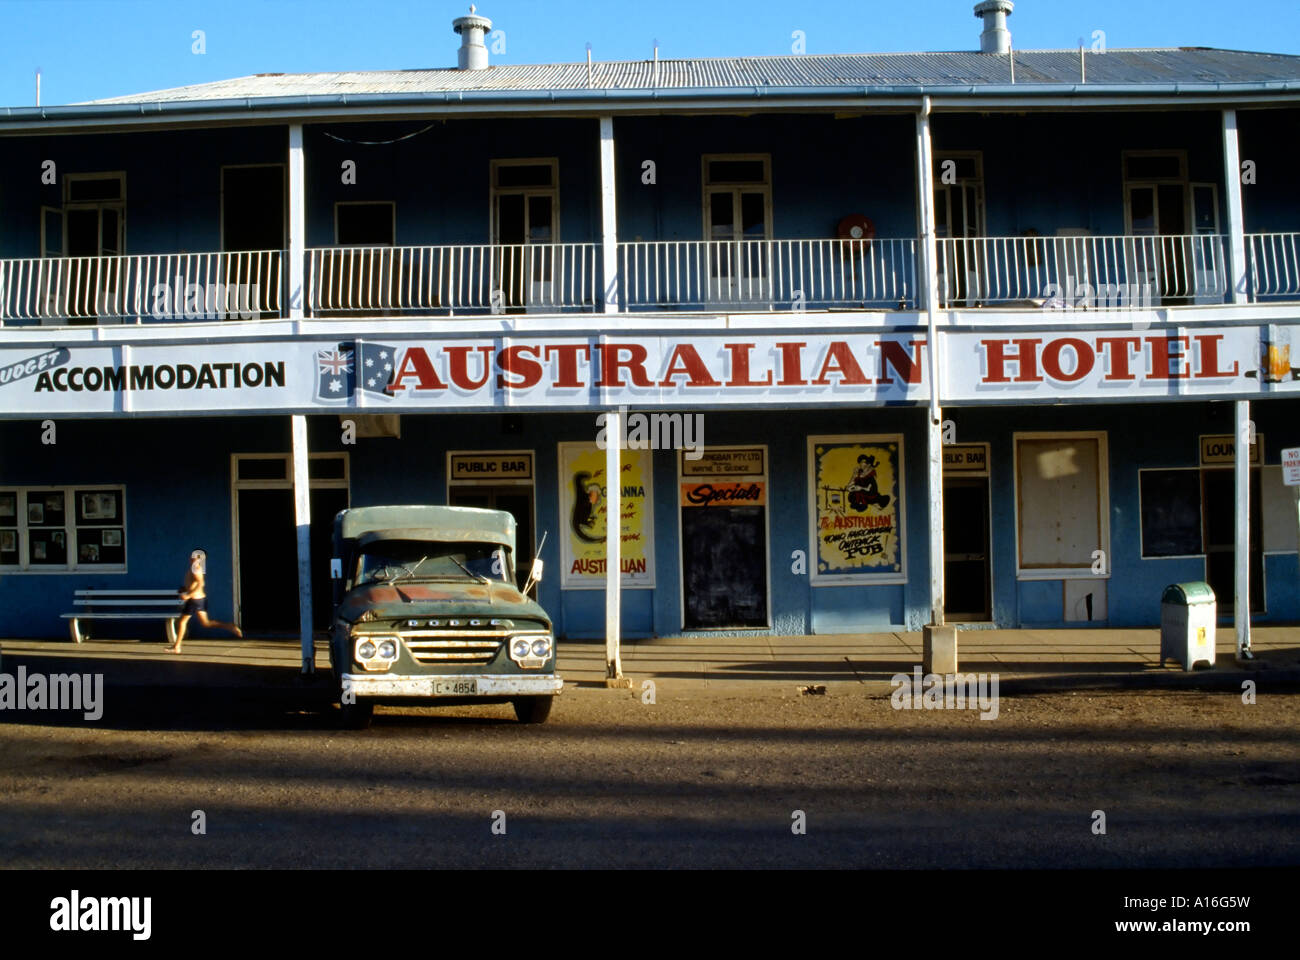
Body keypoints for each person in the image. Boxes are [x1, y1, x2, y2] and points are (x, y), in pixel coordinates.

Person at [170, 548, 241, 652]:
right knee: (206, 623)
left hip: (194, 599)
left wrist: (188, 596)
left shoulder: (196, 568)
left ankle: (177, 646)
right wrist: (184, 589)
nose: (191, 557)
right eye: (192, 555)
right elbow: (193, 584)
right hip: (198, 599)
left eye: (194, 556)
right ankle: (229, 626)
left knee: (182, 622)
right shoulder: (194, 568)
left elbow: (201, 584)